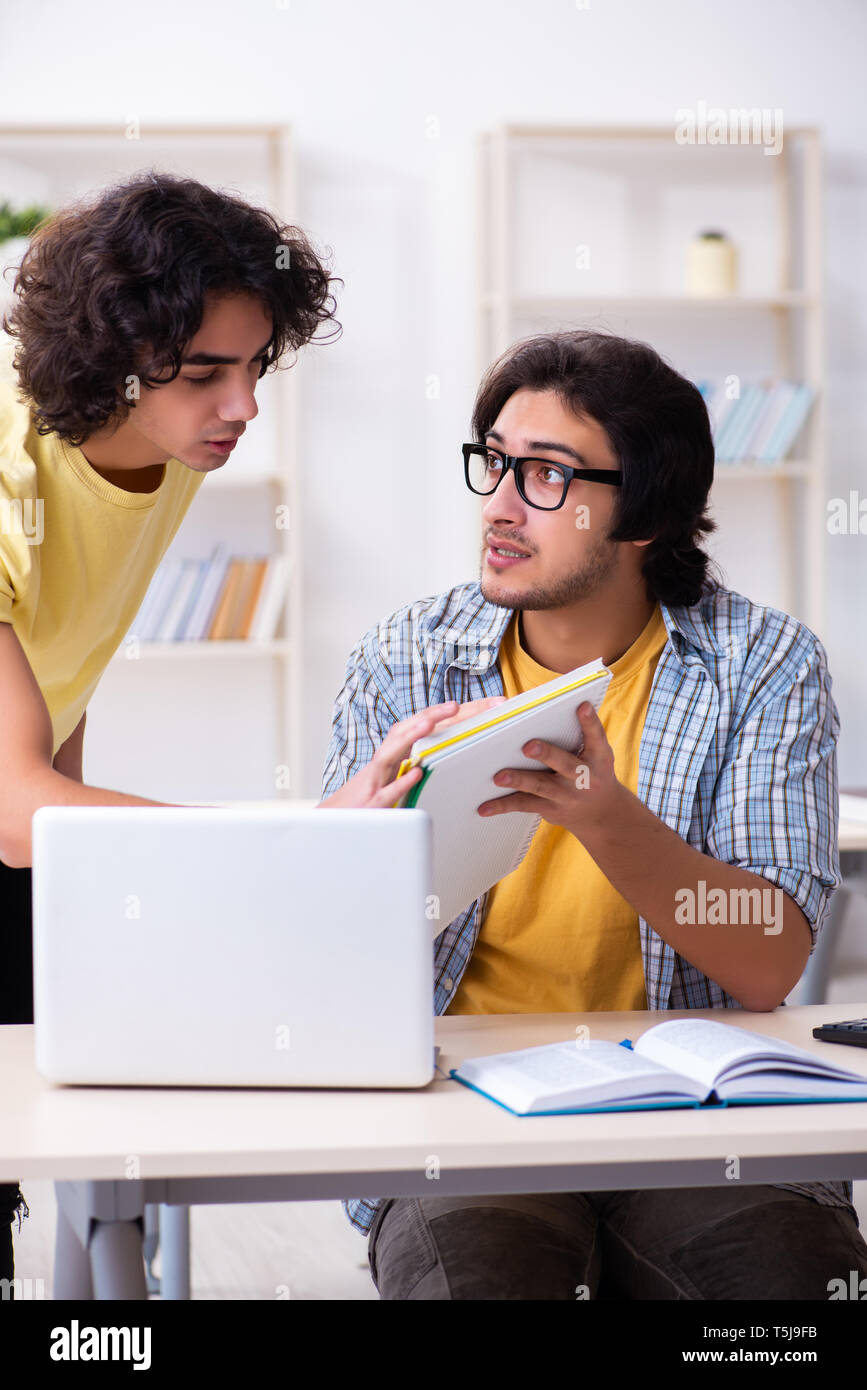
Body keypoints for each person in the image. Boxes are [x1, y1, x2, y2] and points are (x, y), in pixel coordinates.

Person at [0, 170, 496, 1292]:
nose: (242, 408)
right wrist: (306, 835)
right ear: (108, 361)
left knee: (77, 1117)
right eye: (204, 374)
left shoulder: (160, 447)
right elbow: (19, 808)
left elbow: (55, 689)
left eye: (254, 365)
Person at [322, 328, 867, 1300]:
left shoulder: (764, 664)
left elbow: (770, 960)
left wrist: (608, 819)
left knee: (785, 1296)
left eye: (547, 476)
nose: (498, 504)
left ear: (645, 511)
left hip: (703, 1115)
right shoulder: (406, 656)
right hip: (466, 1115)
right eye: (494, 461)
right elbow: (322, 957)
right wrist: (350, 836)